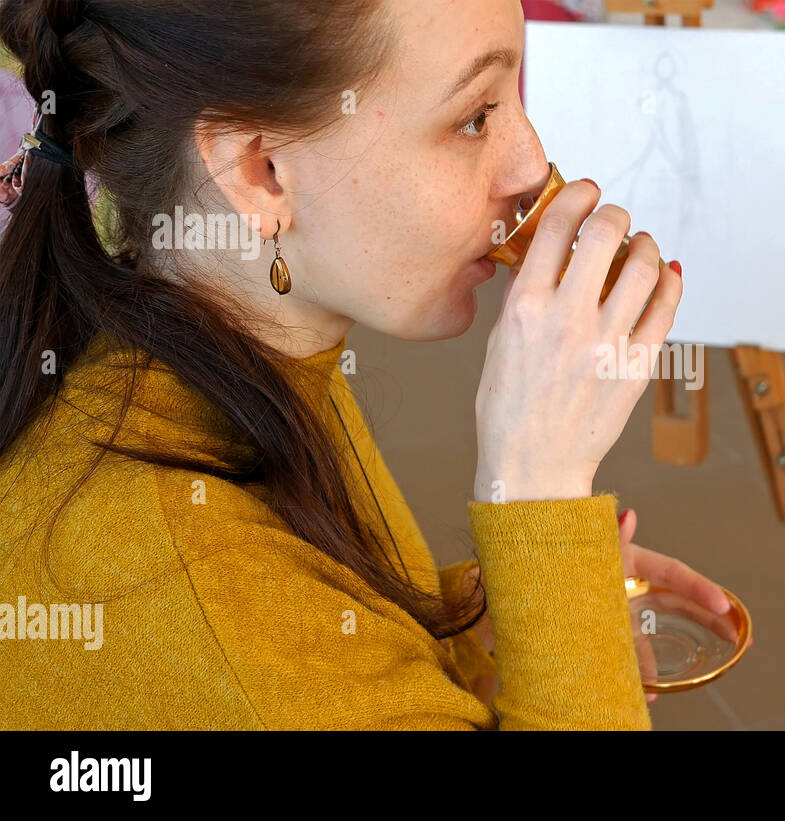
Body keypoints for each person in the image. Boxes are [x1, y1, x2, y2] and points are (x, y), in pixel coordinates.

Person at [0, 0, 734, 730]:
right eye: (475, 116)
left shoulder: (233, 352)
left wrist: (529, 605)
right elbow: (254, 641)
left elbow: (316, 637)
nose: (531, 162)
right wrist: (541, 488)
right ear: (261, 171)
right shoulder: (183, 580)